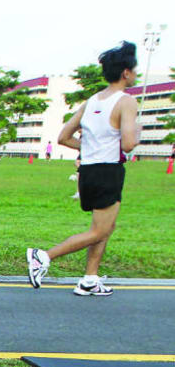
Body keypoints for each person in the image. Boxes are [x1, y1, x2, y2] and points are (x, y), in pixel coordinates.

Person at [27, 41, 139, 296]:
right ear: (125, 73)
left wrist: (89, 149)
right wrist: (137, 132)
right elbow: (130, 144)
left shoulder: (91, 101)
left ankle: (90, 278)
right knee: (99, 230)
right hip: (108, 170)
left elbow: (64, 137)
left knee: (105, 227)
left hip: (87, 171)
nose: (135, 74)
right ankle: (42, 256)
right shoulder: (127, 101)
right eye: (134, 70)